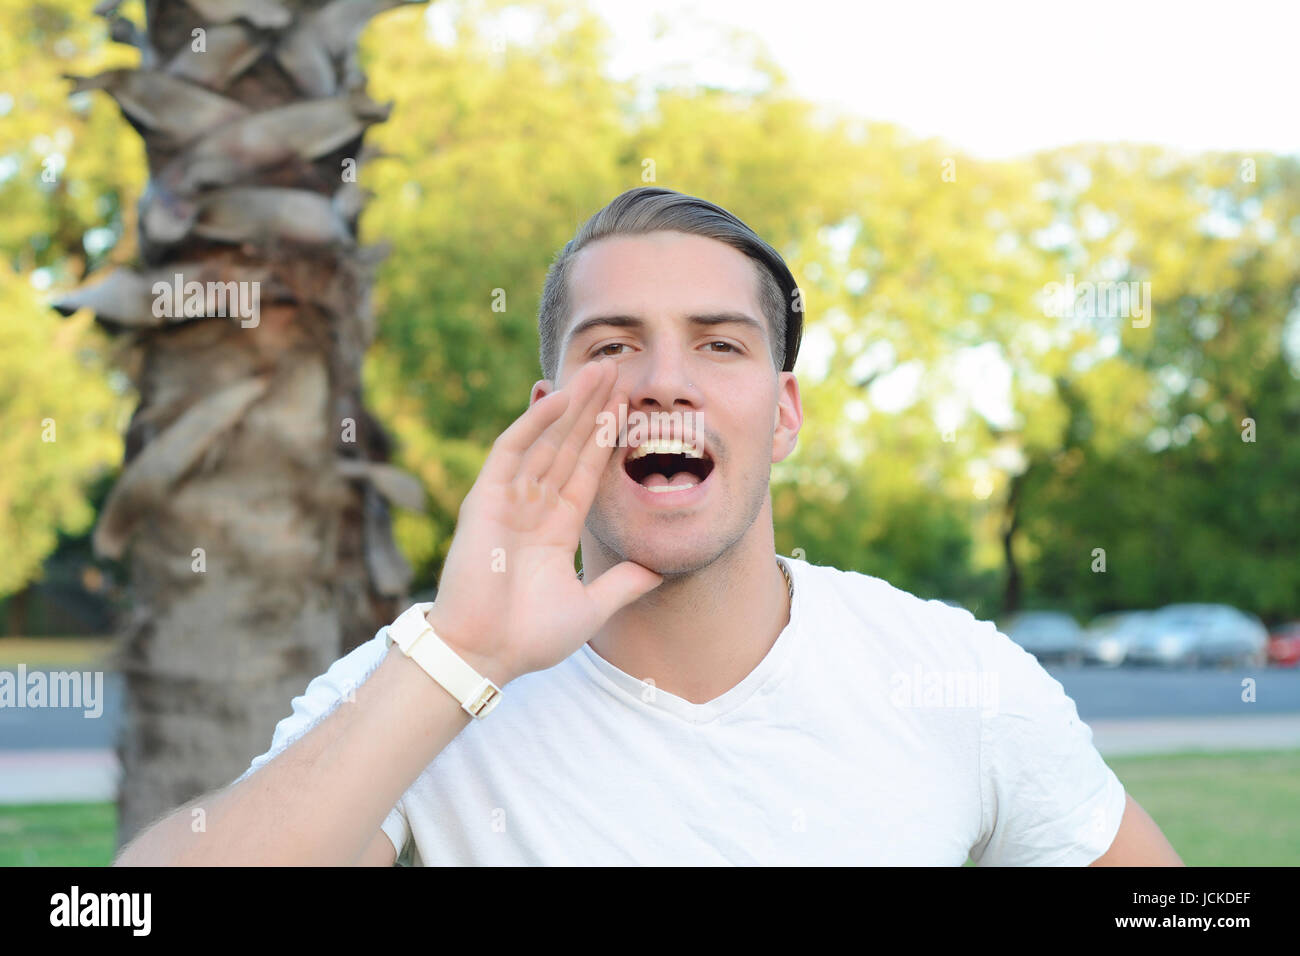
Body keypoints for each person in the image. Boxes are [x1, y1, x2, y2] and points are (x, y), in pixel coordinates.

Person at [114, 187, 1183, 866]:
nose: (664, 378)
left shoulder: (955, 676)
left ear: (783, 411)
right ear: (548, 409)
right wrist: (465, 652)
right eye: (612, 344)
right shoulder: (423, 683)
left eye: (719, 345)